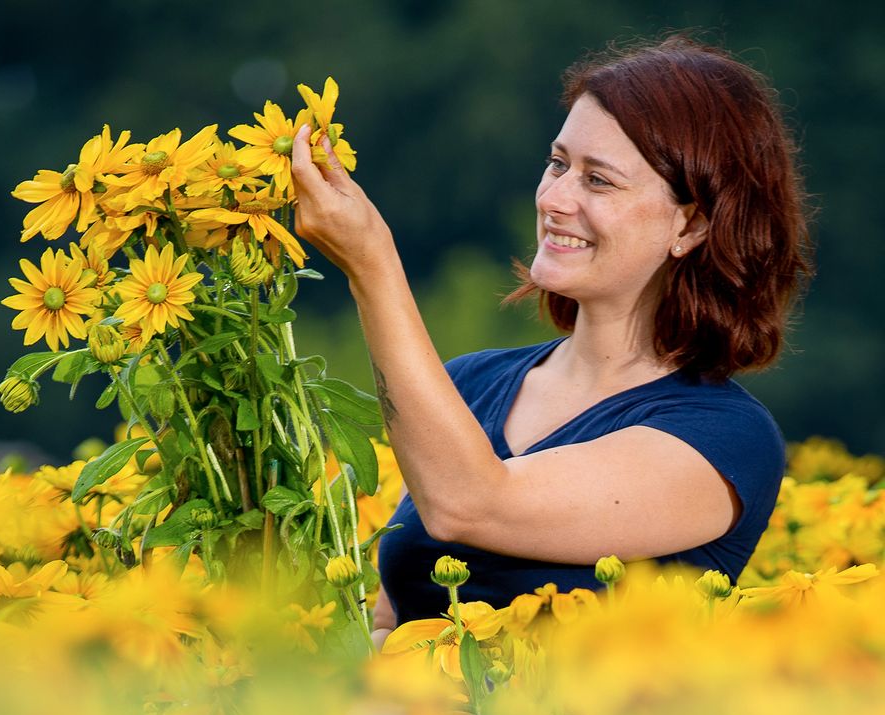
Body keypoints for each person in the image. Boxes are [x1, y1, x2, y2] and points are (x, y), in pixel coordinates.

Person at [288, 36, 812, 645]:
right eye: (558, 164)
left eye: (600, 181)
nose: (555, 199)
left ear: (690, 223)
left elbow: (470, 504)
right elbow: (391, 624)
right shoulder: (468, 383)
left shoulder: (726, 439)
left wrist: (371, 266)